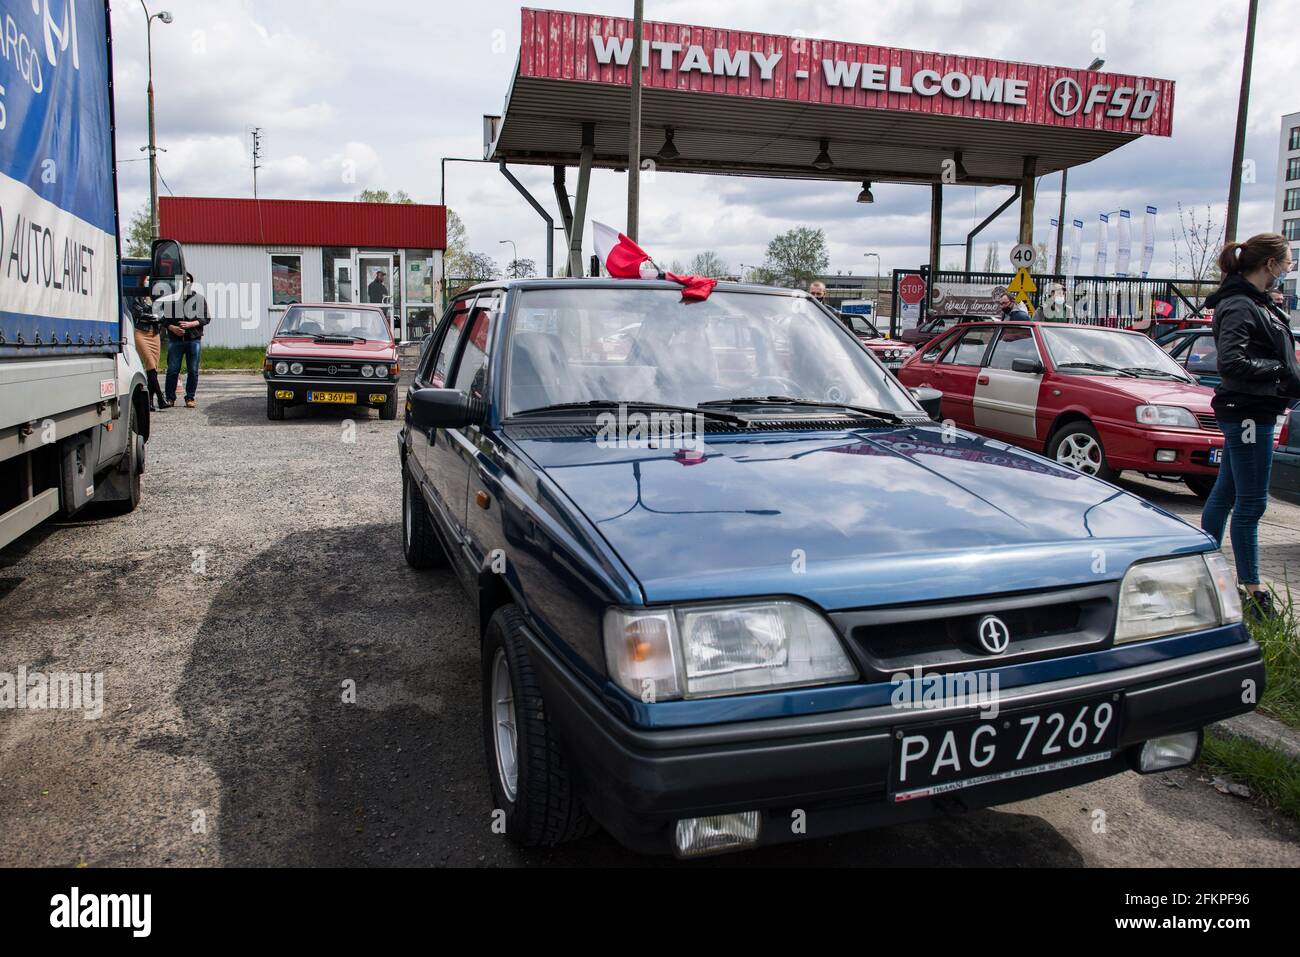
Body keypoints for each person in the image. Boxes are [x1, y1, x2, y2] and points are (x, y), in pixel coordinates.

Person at [1200, 233, 1299, 620]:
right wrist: (1282, 372)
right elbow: (1232, 363)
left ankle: (1203, 562)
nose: (1289, 269)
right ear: (1271, 264)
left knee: (1226, 492)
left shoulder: (1256, 304)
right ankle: (1253, 590)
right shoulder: (1241, 305)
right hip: (1247, 413)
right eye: (1288, 262)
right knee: (1251, 502)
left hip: (1251, 409)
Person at [163, 273, 210, 409]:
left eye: (188, 280)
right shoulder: (170, 300)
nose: (185, 282)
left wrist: (192, 324)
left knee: (193, 370)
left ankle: (190, 397)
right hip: (175, 340)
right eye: (182, 280)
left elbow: (206, 318)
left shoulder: (199, 299)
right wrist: (172, 328)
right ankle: (170, 398)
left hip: (193, 340)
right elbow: (163, 320)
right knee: (172, 370)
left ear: (191, 282)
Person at [130, 283, 166, 411]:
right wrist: (154, 318)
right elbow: (139, 314)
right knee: (150, 364)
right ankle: (161, 398)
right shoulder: (137, 297)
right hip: (141, 333)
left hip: (154, 334)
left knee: (154, 368)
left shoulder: (158, 299)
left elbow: (162, 316)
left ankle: (150, 402)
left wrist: (154, 318)